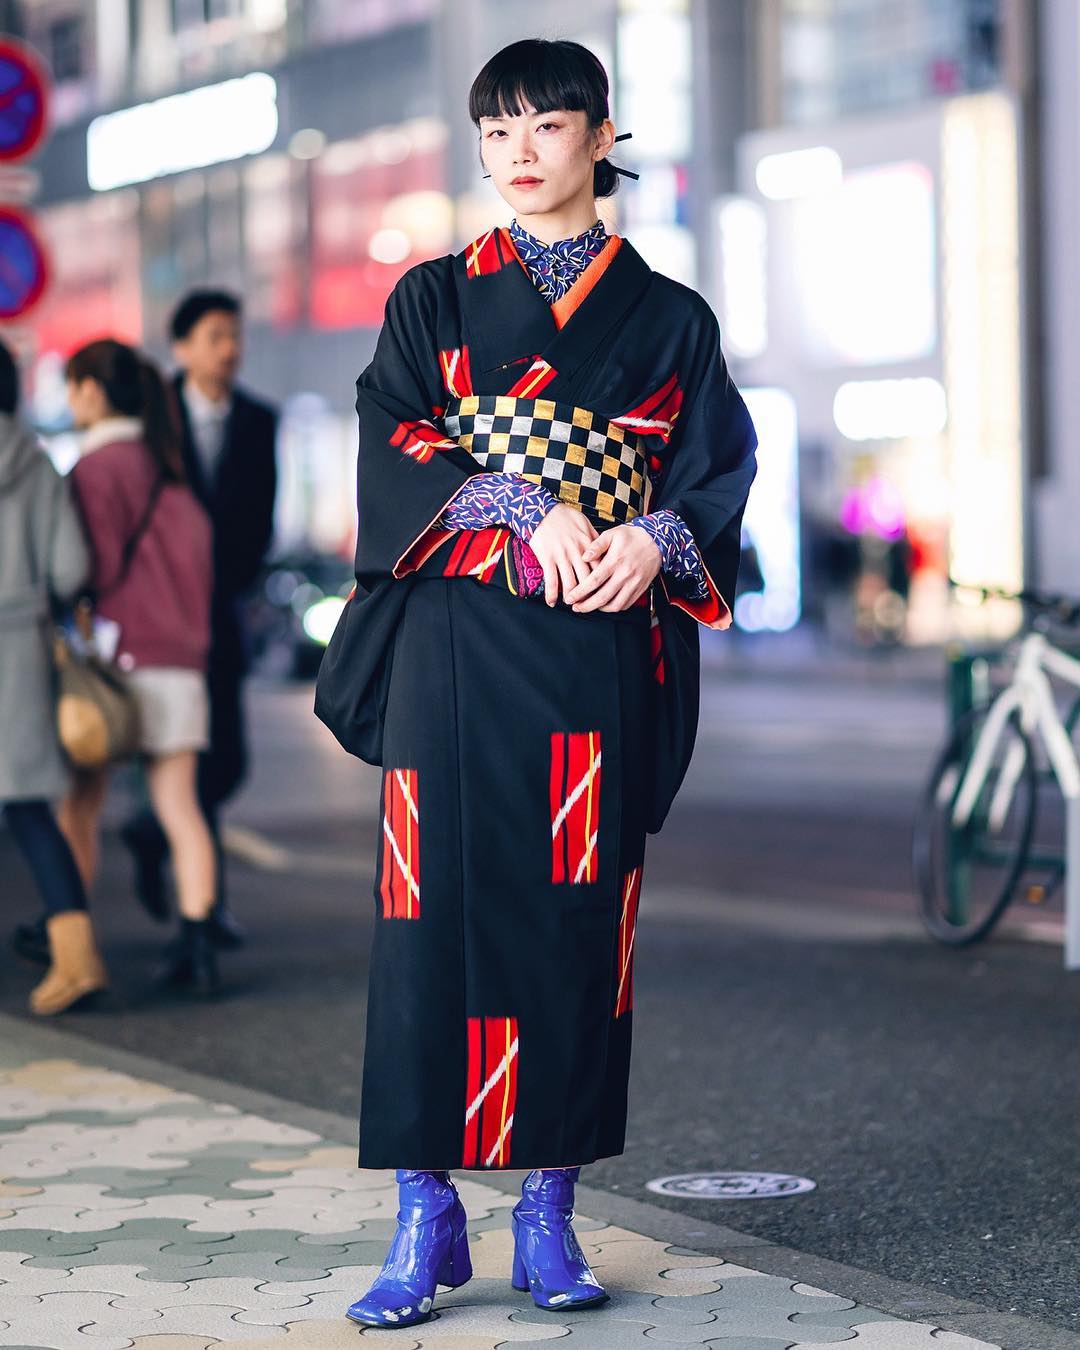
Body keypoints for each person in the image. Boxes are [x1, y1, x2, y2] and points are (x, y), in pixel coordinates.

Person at [315, 38, 758, 1329]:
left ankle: (551, 1214)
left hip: (589, 649)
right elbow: (393, 428)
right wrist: (515, 500)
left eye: (545, 123)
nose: (517, 148)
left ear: (600, 133)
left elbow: (715, 469)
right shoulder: (434, 297)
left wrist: (650, 538)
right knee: (425, 918)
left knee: (576, 922)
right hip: (455, 647)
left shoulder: (672, 317)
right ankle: (422, 1206)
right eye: (495, 126)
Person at [61, 338, 220, 995]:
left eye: (73, 386)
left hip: (115, 666)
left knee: (80, 806)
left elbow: (87, 568)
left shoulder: (96, 469)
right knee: (182, 808)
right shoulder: (172, 468)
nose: (71, 399)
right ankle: (199, 946)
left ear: (93, 391)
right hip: (183, 659)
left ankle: (69, 944)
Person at [119, 290, 278, 949]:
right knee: (182, 760)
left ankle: (151, 833)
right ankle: (205, 906)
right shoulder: (150, 417)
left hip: (221, 612)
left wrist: (225, 586)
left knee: (226, 763)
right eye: (215, 335)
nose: (230, 348)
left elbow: (259, 519)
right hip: (159, 615)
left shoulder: (259, 419)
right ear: (180, 347)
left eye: (235, 334)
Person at [0, 338, 109, 1016]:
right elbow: (70, 569)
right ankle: (77, 960)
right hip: (19, 649)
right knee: (30, 806)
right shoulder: (34, 461)